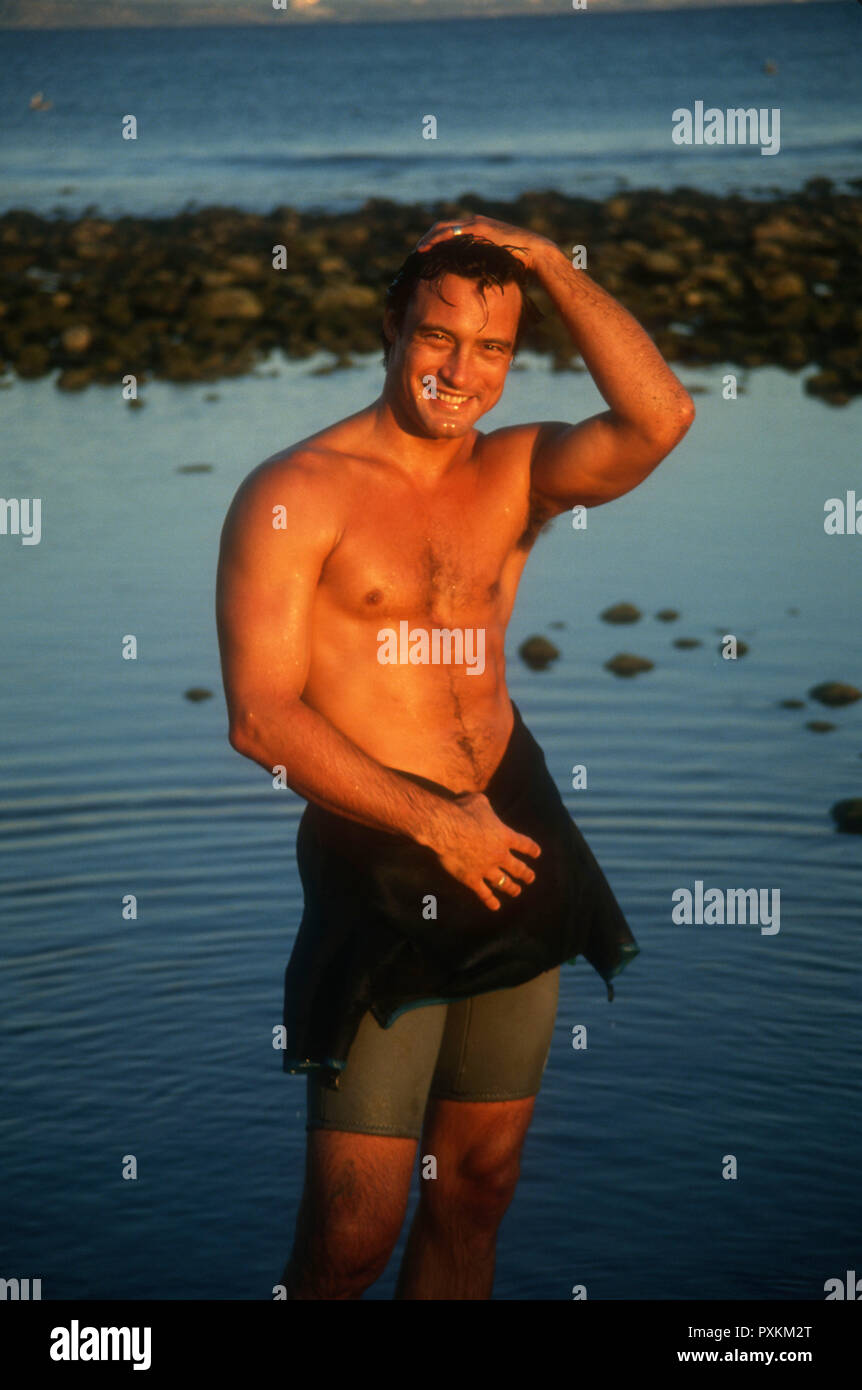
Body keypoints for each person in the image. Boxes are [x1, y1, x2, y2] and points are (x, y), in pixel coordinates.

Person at [215, 215, 695, 1300]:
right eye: (438, 336)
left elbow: (660, 417)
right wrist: (437, 822)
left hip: (514, 832)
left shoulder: (516, 470)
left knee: (477, 1188)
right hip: (383, 856)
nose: (461, 371)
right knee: (352, 1236)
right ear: (391, 327)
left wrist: (548, 263)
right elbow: (260, 719)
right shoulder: (295, 493)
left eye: (492, 349)